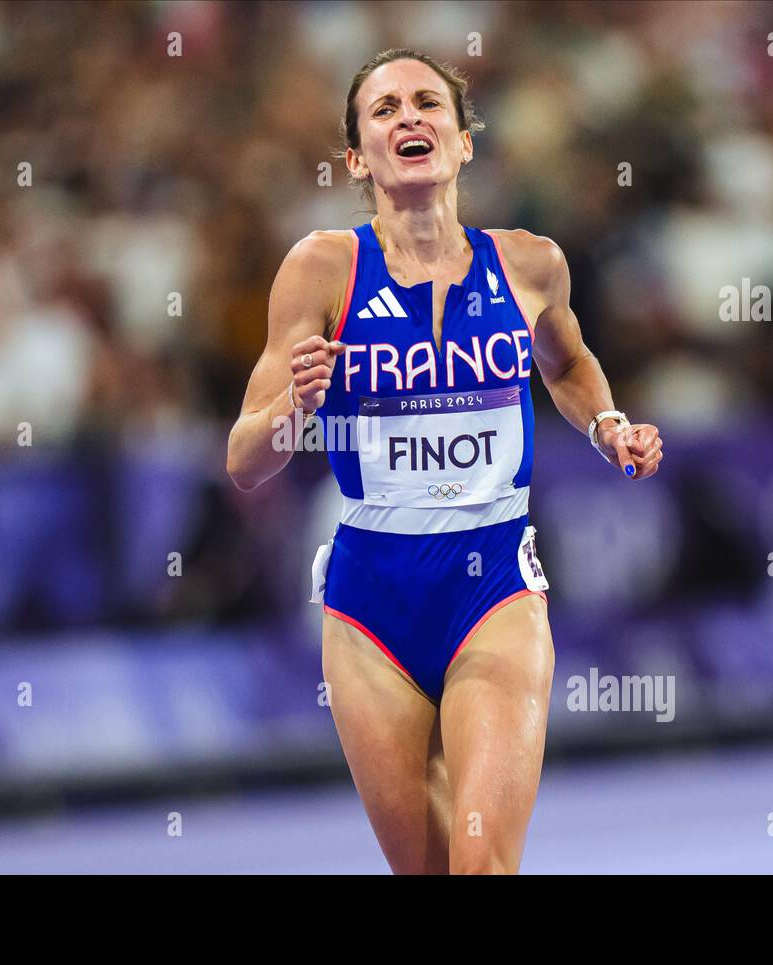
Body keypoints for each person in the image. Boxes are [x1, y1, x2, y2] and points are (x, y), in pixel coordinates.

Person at [226, 48, 663, 874]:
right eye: (384, 110)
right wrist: (296, 409)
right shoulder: (321, 269)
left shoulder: (532, 264)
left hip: (492, 587)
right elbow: (245, 460)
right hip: (368, 608)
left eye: (428, 103)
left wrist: (607, 424)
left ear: (463, 142)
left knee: (481, 863)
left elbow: (566, 366)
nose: (409, 117)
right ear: (358, 157)